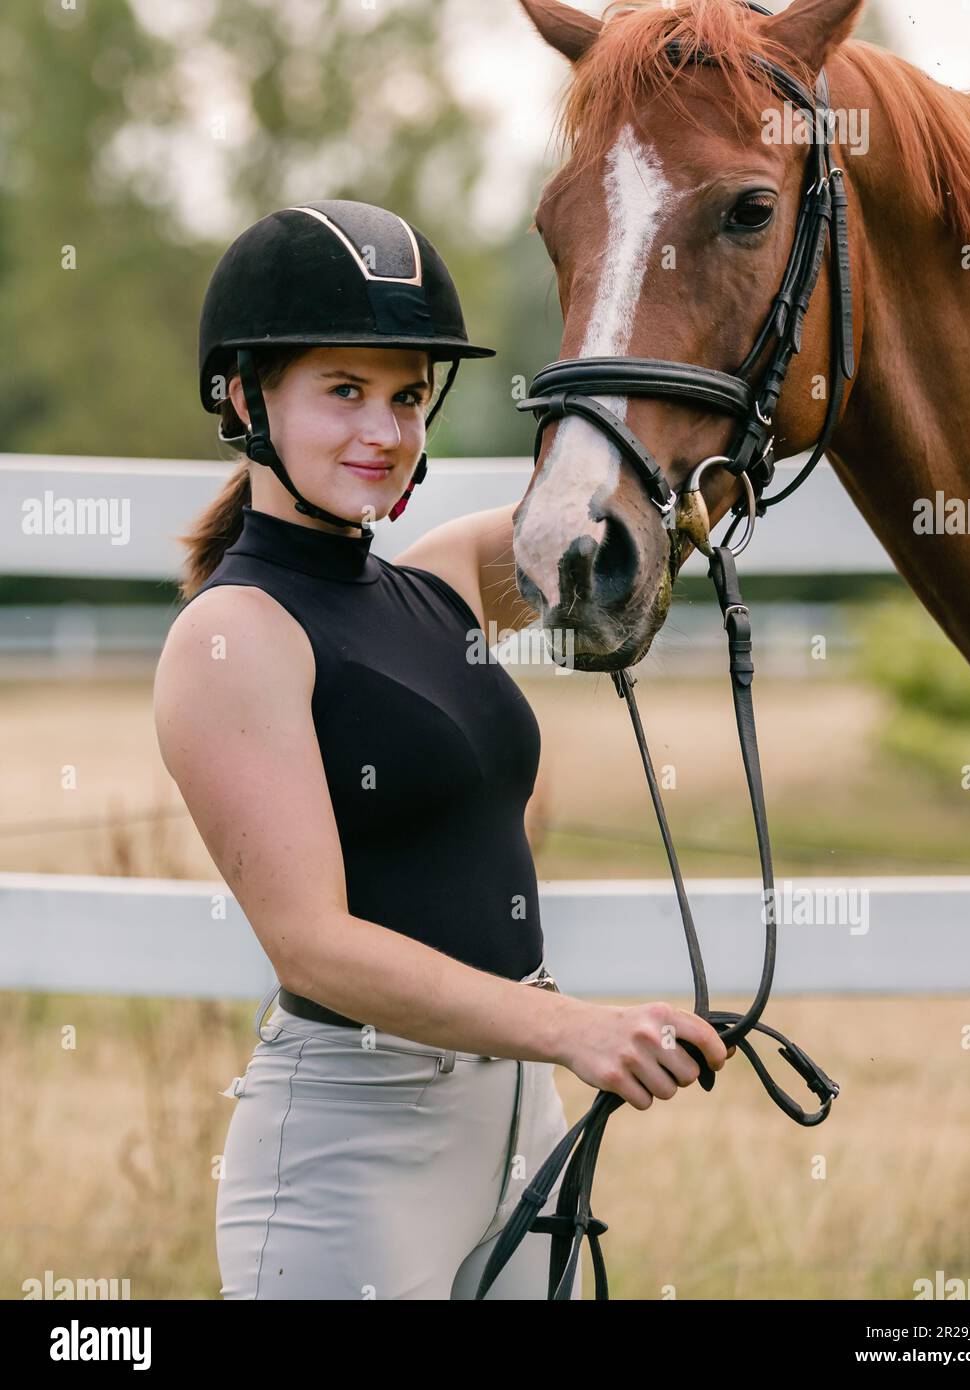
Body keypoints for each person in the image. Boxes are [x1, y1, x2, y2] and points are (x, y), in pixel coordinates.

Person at [153, 198, 730, 1300]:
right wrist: (573, 1026)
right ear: (241, 394)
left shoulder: (439, 581)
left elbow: (617, 517)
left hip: (514, 1116)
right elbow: (313, 946)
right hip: (354, 1156)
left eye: (408, 396)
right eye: (344, 391)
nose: (384, 430)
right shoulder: (231, 638)